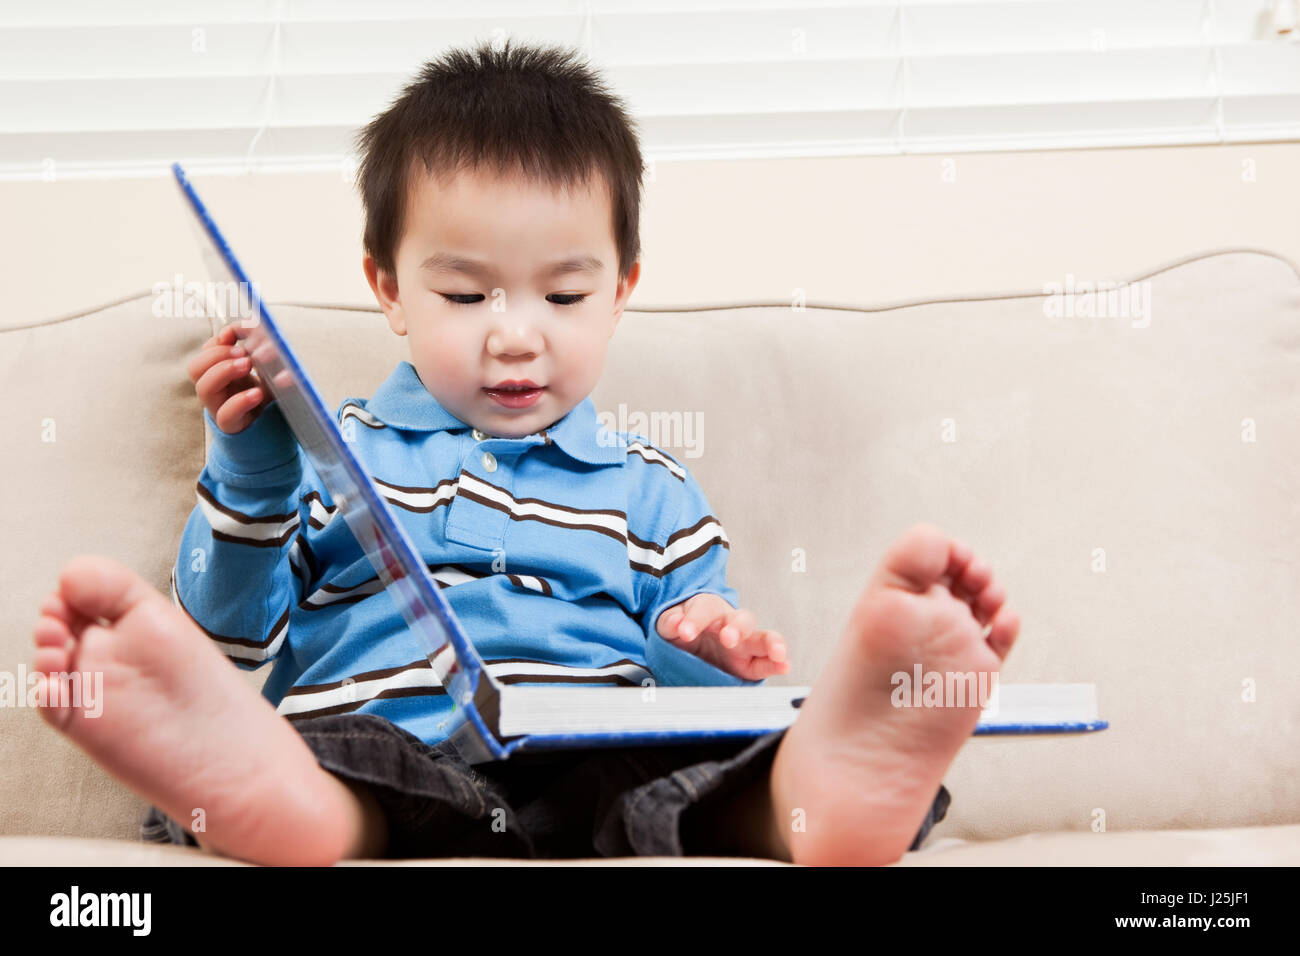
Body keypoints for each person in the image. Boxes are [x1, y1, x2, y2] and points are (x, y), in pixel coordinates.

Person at [30, 39, 1018, 866]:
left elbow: (696, 663)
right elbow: (232, 638)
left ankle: (819, 791)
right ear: (387, 287)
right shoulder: (339, 454)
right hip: (393, 752)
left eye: (564, 295)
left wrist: (711, 644)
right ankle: (270, 796)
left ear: (622, 287)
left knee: (706, 770)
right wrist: (254, 467)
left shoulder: (651, 487)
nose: (515, 334)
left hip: (587, 763)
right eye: (466, 296)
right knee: (343, 769)